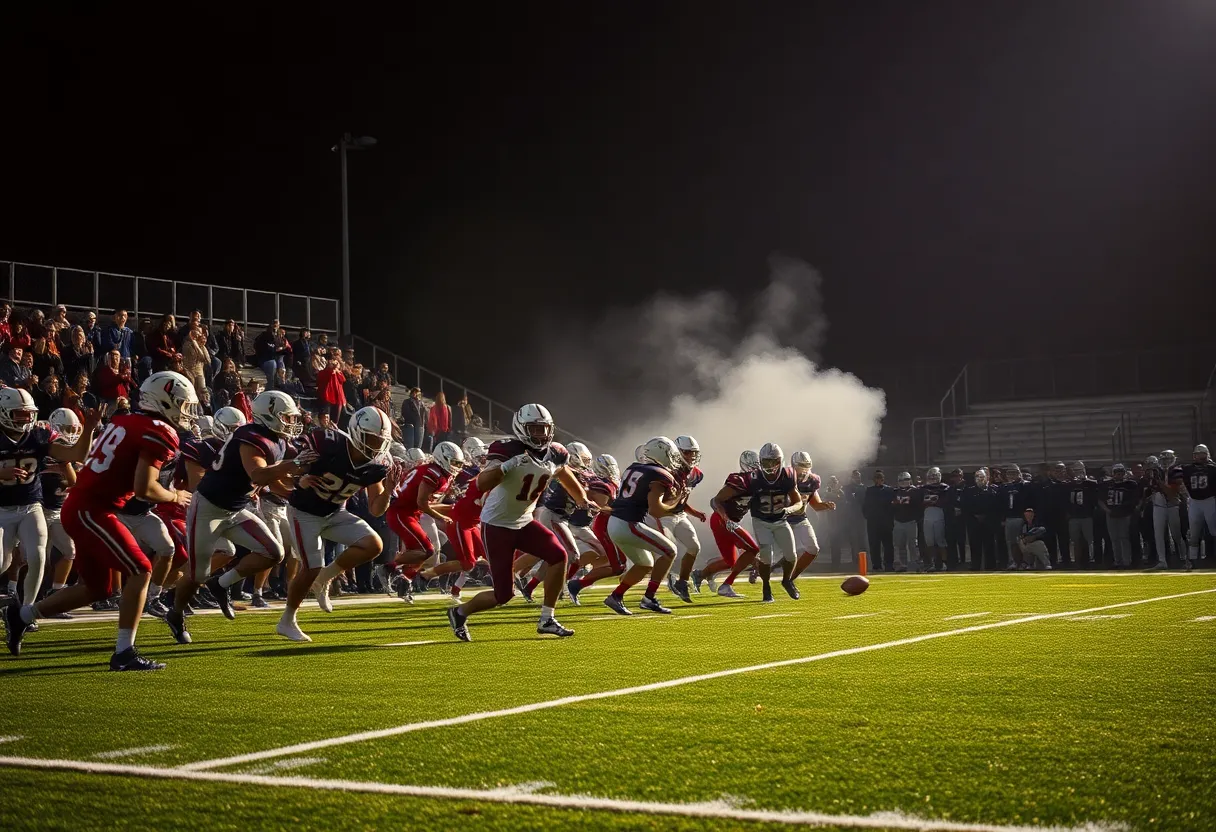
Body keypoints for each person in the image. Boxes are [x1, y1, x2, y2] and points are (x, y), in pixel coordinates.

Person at [2, 374, 178, 671]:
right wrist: (175, 496)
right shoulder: (155, 429)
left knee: (98, 589)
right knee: (141, 569)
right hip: (93, 510)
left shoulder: (125, 421)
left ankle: (21, 616)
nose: (184, 409)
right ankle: (124, 653)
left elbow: (82, 455)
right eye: (181, 402)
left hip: (83, 507)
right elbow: (146, 489)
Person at [163, 390, 315, 645]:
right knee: (198, 573)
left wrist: (295, 494)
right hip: (208, 507)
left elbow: (272, 481)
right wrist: (294, 465)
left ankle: (221, 584)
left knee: (273, 552)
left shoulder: (275, 440)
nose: (290, 423)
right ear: (269, 415)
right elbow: (258, 475)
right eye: (286, 417)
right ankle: (175, 614)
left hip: (234, 509)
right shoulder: (251, 436)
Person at [445, 404, 585, 642]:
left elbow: (563, 473)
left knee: (559, 555)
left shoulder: (556, 453)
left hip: (524, 521)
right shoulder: (506, 450)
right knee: (503, 595)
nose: (540, 435)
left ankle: (547, 618)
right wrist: (505, 466)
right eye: (534, 429)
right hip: (497, 525)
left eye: (544, 429)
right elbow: (481, 484)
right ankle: (459, 612)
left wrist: (582, 498)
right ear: (521, 429)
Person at [277, 406, 398, 642]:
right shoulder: (326, 442)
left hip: (334, 511)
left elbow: (376, 508)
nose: (375, 444)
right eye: (371, 437)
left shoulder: (379, 464)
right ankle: (287, 620)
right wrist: (298, 480)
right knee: (310, 566)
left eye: (380, 439)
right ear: (355, 432)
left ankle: (325, 577)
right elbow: (285, 468)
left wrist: (389, 491)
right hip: (305, 512)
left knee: (374, 544)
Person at [601, 436, 685, 614]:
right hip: (628, 523)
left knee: (645, 563)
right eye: (671, 455)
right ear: (661, 454)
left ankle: (615, 596)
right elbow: (656, 510)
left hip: (615, 522)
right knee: (670, 551)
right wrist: (677, 503)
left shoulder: (634, 467)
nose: (674, 460)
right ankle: (649, 598)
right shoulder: (660, 474)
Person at [663, 436, 710, 602]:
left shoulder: (696, 474)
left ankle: (682, 582)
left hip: (679, 514)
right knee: (668, 550)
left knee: (694, 547)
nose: (691, 456)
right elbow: (663, 501)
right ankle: (662, 582)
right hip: (662, 515)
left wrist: (694, 512)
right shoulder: (667, 471)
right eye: (688, 452)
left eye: (694, 453)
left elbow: (682, 500)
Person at [787, 451, 836, 580]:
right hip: (782, 519)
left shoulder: (812, 481)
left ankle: (791, 578)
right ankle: (757, 570)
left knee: (813, 548)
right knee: (776, 554)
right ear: (793, 466)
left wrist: (826, 505)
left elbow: (816, 505)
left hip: (799, 518)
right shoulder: (785, 479)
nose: (803, 470)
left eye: (805, 466)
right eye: (800, 466)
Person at [1168, 444, 1216, 571]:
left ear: (1206, 454)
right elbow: (1173, 472)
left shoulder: (1212, 468)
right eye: (1196, 453)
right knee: (1194, 533)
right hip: (1194, 501)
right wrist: (1180, 482)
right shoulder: (1187, 468)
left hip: (1210, 500)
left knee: (1214, 531)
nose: (1198, 456)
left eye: (1200, 453)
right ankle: (1192, 561)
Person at [1099, 463, 1140, 568]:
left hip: (1124, 514)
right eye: (1117, 473)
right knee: (1114, 539)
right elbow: (1100, 500)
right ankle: (1117, 561)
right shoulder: (1106, 485)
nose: (1119, 475)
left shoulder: (1130, 484)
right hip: (1111, 514)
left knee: (1124, 537)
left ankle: (1126, 561)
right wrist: (1108, 511)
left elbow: (1135, 500)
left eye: (1121, 473)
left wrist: (1128, 511)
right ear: (1113, 473)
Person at [863, 470, 895, 572]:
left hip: (886, 522)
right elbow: (865, 506)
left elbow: (893, 505)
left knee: (888, 545)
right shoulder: (869, 490)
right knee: (874, 545)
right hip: (873, 522)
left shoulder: (889, 490)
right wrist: (868, 516)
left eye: (881, 478)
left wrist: (891, 518)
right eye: (877, 478)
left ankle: (889, 564)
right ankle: (876, 565)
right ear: (874, 480)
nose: (879, 480)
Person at [94, 350, 133, 414]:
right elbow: (106, 382)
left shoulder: (122, 370)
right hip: (109, 400)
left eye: (116, 356)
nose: (114, 358)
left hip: (122, 400)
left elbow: (127, 386)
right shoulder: (104, 370)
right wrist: (120, 378)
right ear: (108, 358)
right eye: (111, 356)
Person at [180, 324, 210, 404]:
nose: (200, 334)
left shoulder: (202, 346)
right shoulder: (187, 344)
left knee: (203, 390)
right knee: (190, 390)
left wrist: (202, 346)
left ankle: (205, 406)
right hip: (189, 370)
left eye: (201, 333)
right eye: (198, 332)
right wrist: (194, 343)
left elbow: (207, 360)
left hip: (199, 371)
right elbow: (193, 356)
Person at [315, 350, 346, 423]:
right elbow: (322, 380)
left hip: (338, 399)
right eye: (332, 360)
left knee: (335, 422)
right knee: (326, 420)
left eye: (335, 361)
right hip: (327, 399)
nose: (334, 362)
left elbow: (343, 380)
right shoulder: (323, 372)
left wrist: (336, 370)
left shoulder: (339, 373)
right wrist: (332, 370)